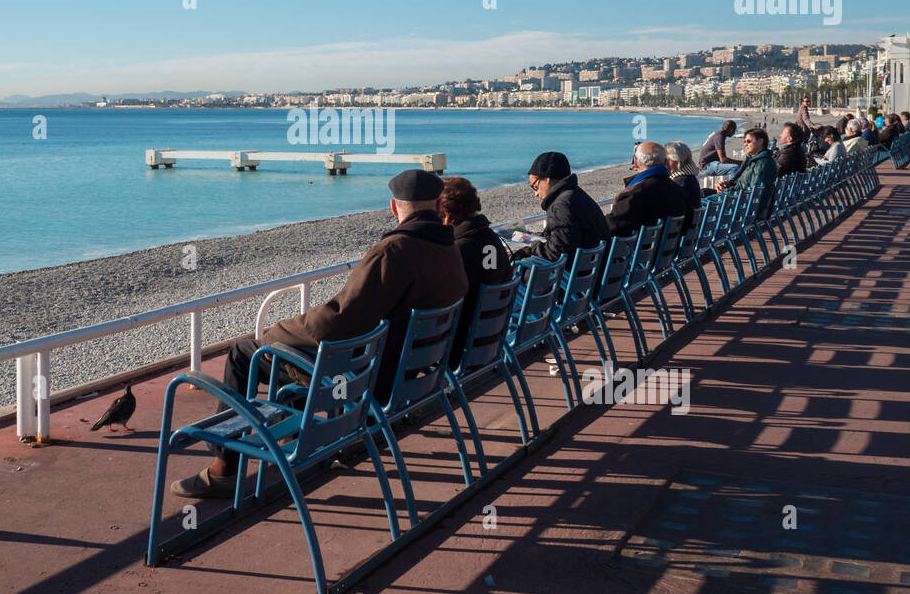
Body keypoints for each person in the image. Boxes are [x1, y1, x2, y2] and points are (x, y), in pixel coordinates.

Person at [171, 169, 467, 499]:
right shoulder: (449, 250)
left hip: (368, 379)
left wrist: (274, 333)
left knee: (246, 354)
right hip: (410, 375)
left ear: (394, 208)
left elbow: (336, 321)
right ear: (437, 205)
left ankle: (226, 468)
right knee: (296, 350)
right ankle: (294, 439)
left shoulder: (394, 252)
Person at [437, 176, 512, 365]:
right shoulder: (491, 238)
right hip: (492, 339)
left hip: (461, 346)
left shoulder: (457, 250)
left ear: (445, 213)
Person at [513, 151, 611, 264]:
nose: (536, 194)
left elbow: (559, 252)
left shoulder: (561, 205)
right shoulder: (576, 194)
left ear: (547, 178)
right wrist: (543, 236)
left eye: (535, 187)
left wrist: (530, 250)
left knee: (518, 269)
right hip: (599, 268)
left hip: (581, 275)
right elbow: (568, 235)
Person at [607, 141, 692, 238]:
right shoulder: (679, 191)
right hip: (670, 251)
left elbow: (613, 228)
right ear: (665, 162)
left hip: (639, 252)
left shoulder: (635, 195)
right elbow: (688, 222)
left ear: (635, 163)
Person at [717, 127, 777, 216]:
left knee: (703, 201)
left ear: (760, 141)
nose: (745, 144)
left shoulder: (762, 164)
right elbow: (742, 183)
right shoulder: (753, 160)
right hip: (747, 207)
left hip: (747, 211)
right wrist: (727, 184)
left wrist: (724, 191)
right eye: (744, 142)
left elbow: (752, 194)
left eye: (748, 141)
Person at [665, 140, 702, 213]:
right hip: (691, 222)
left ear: (677, 160)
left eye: (667, 160)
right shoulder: (690, 176)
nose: (665, 164)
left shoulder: (680, 182)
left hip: (682, 223)